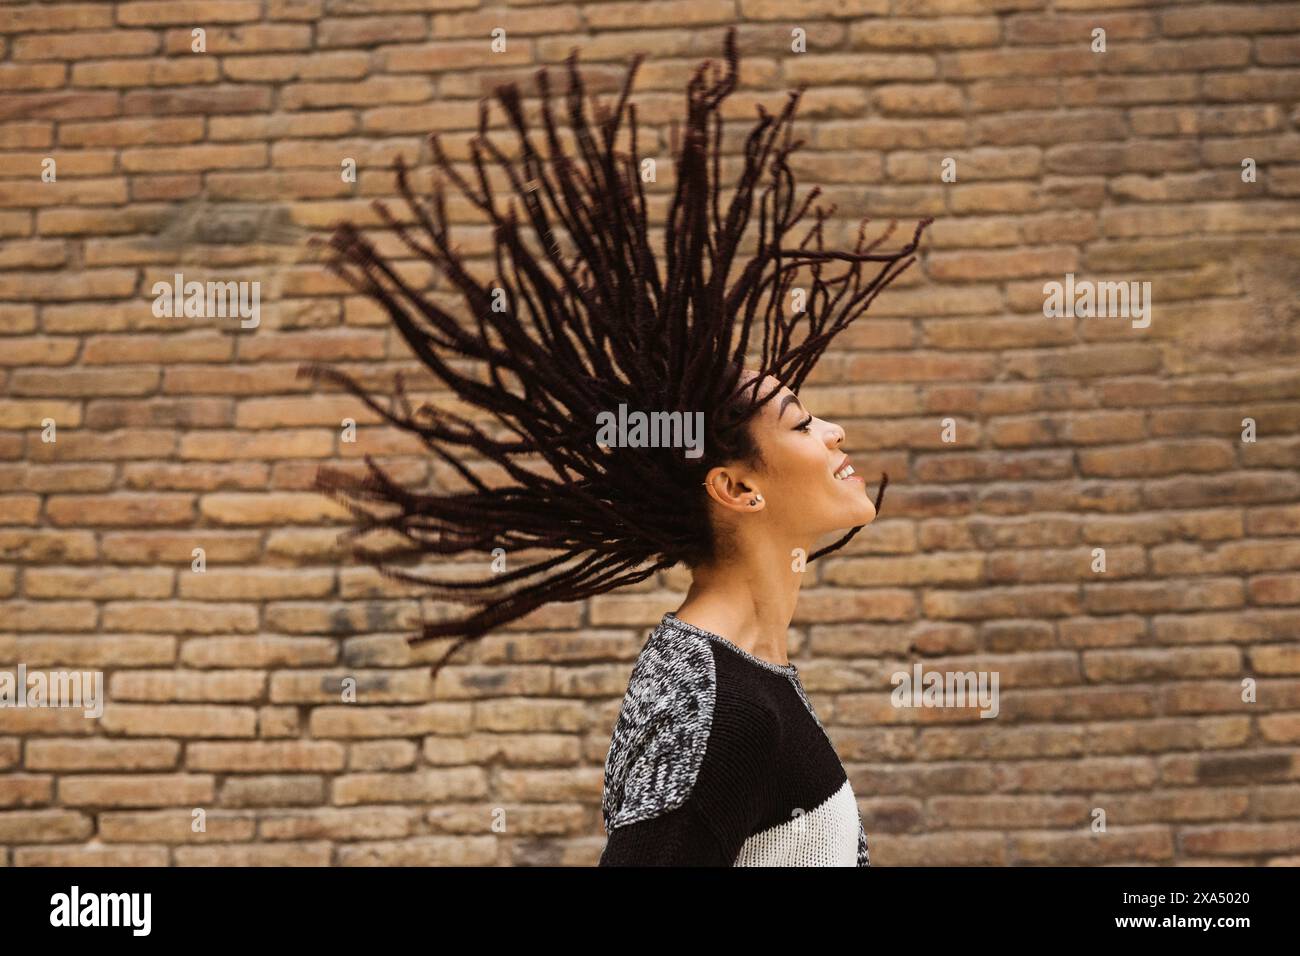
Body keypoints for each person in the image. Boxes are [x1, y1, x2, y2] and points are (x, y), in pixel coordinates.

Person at [304, 26, 930, 866]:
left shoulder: (746, 677)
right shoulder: (719, 705)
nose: (834, 431)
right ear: (737, 488)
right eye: (801, 423)